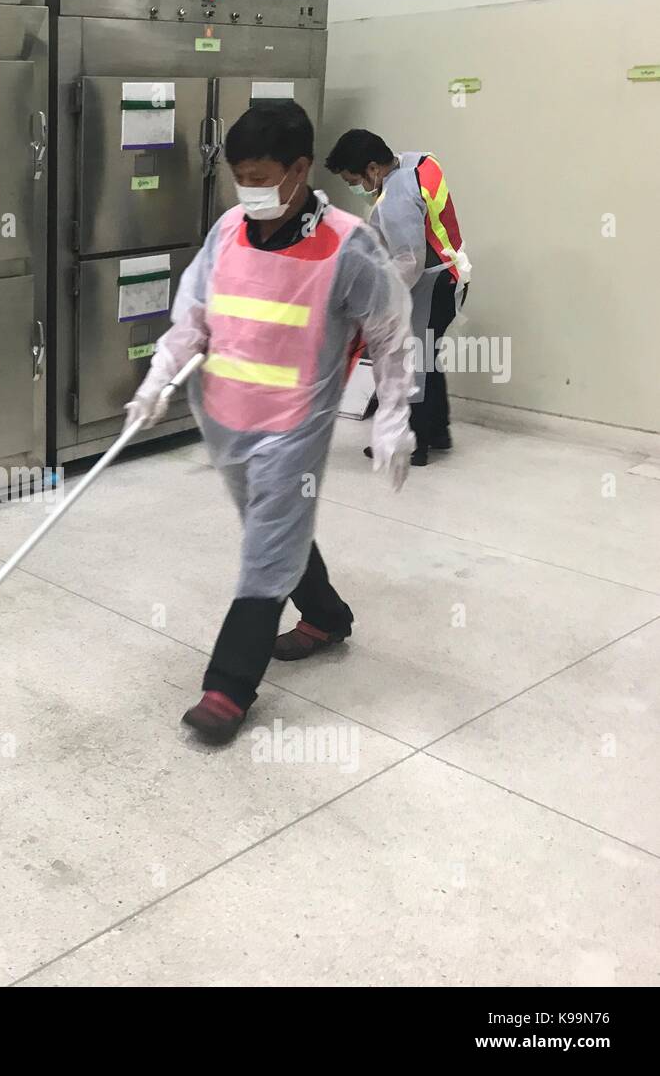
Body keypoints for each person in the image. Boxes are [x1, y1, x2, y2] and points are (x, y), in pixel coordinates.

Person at [125, 103, 416, 745]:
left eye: (263, 177)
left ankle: (227, 689)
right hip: (224, 419)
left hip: (294, 425)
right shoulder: (228, 228)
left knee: (263, 552)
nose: (249, 191)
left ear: (301, 169)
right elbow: (194, 316)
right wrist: (155, 380)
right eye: (240, 177)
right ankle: (327, 617)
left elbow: (391, 335)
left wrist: (393, 416)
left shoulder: (348, 244)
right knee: (273, 529)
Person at [325, 130, 471, 464]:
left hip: (430, 284)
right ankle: (437, 432)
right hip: (451, 275)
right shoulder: (420, 162)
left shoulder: (396, 199)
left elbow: (409, 260)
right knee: (425, 358)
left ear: (373, 169)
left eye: (354, 180)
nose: (357, 188)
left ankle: (411, 445)